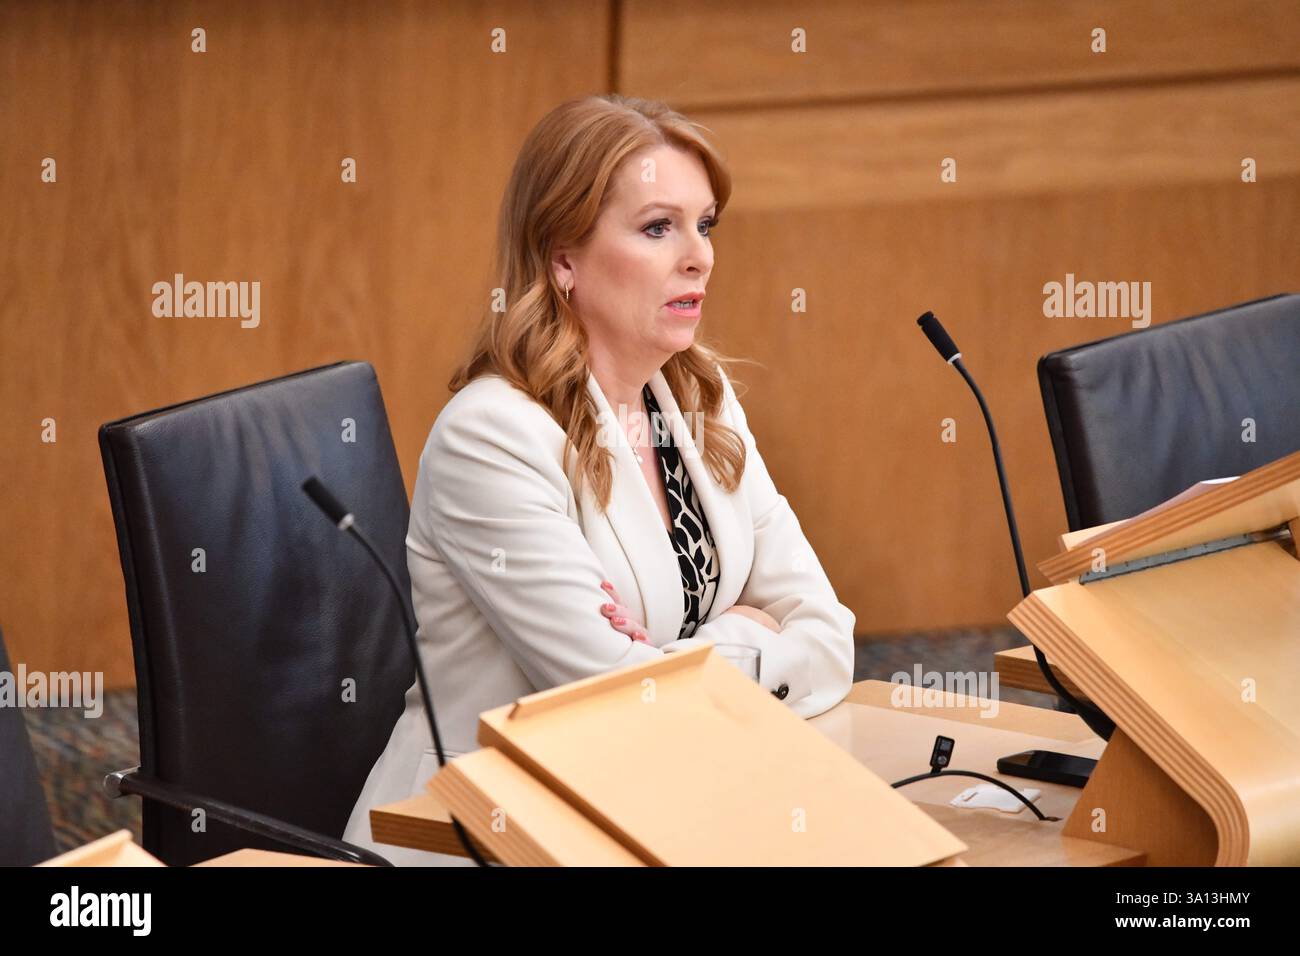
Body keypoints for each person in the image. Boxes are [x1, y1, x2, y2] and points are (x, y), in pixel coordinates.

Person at [344, 94, 856, 865]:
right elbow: (623, 705)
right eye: (658, 228)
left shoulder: (697, 396)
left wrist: (681, 660)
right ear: (562, 259)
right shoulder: (493, 439)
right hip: (491, 836)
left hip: (667, 809)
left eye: (704, 224)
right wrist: (748, 633)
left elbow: (829, 634)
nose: (699, 256)